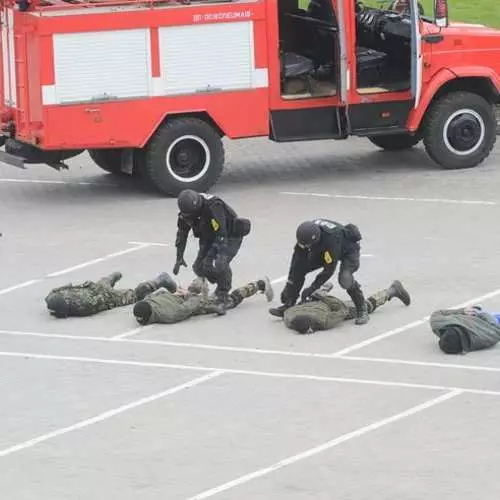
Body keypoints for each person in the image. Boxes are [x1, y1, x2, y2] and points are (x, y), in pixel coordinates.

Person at [270, 219, 370, 325]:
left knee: (345, 278)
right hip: (322, 249)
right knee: (300, 268)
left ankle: (362, 308)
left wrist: (311, 289)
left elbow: (329, 270)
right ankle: (289, 304)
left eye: (307, 245)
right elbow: (296, 262)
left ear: (315, 240)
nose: (305, 247)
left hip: (348, 251)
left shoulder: (331, 239)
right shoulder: (306, 235)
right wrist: (289, 287)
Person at [173, 190, 251, 312]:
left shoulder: (213, 206)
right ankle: (206, 286)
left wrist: (221, 256)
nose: (189, 218)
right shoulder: (187, 213)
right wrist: (179, 257)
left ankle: (222, 297)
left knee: (217, 265)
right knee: (198, 267)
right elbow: (181, 234)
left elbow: (222, 233)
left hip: (229, 235)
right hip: (210, 235)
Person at [282, 280, 411, 333]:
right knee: (316, 297)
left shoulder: (323, 321)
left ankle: (392, 291)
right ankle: (321, 292)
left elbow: (342, 310)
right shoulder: (289, 316)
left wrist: (357, 310)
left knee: (364, 306)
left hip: (329, 305)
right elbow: (287, 310)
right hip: (311, 301)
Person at [133, 276, 274, 325]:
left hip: (186, 301)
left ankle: (259, 284)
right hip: (177, 296)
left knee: (228, 301)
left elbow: (189, 307)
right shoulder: (148, 300)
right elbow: (162, 292)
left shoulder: (169, 315)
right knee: (192, 292)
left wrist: (209, 305)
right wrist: (179, 293)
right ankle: (200, 280)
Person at [45, 272, 176, 318]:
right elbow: (63, 288)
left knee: (135, 295)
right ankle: (111, 278)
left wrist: (115, 302)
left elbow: (102, 303)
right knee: (104, 282)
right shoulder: (56, 294)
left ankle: (160, 280)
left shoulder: (83, 307)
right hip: (91, 286)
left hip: (104, 295)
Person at [430, 305, 500, 354]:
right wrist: (480, 314)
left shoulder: (439, 324)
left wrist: (463, 311)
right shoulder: (482, 338)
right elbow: (496, 330)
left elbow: (437, 313)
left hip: (474, 316)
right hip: (488, 320)